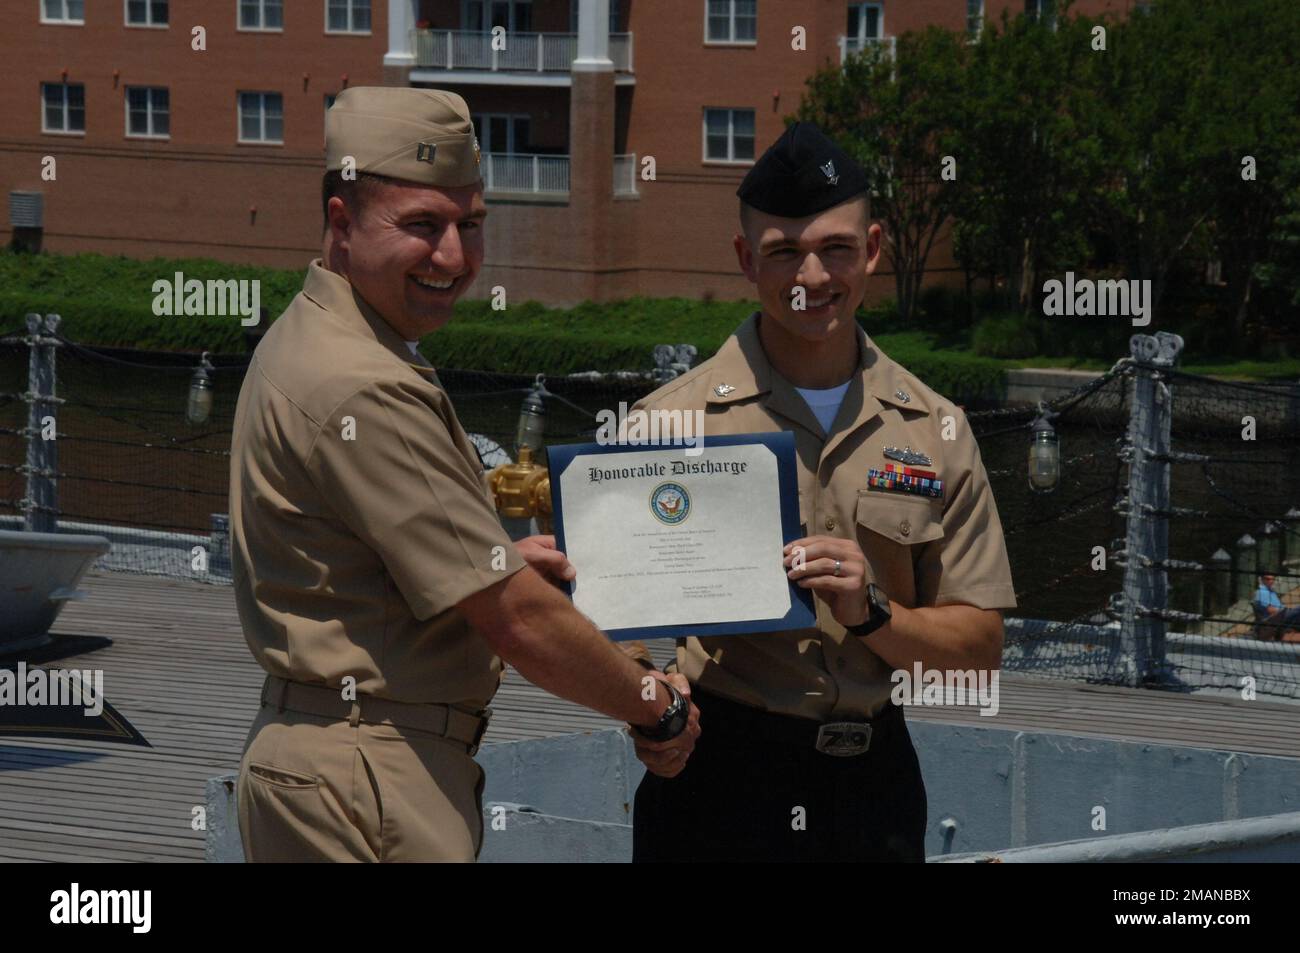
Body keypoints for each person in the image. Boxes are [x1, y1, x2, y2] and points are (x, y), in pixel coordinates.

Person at [229, 87, 698, 862]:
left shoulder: (313, 340)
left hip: (335, 761)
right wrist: (658, 706)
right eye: (422, 225)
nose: (454, 256)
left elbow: (375, 574)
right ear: (342, 223)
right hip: (371, 775)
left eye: (470, 224)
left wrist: (497, 562)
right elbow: (514, 617)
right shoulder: (365, 382)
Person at [624, 122, 1016, 863]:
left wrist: (873, 614)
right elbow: (614, 622)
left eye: (835, 249)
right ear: (746, 259)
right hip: (719, 784)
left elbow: (978, 656)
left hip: (873, 792)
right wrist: (651, 701)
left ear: (871, 250)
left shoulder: (938, 430)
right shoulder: (665, 424)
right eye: (783, 253)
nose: (811, 277)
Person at [1253, 573, 1300, 641]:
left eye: (1273, 579)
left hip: (1282, 614)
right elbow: (1271, 610)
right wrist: (1284, 612)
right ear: (1262, 580)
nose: (1271, 581)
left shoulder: (1271, 592)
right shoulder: (1261, 592)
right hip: (1277, 617)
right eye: (1268, 579)